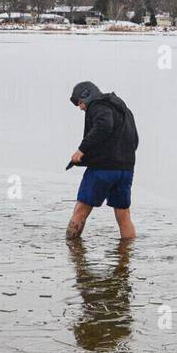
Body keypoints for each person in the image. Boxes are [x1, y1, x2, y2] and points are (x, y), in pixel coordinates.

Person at [67, 81, 138, 240]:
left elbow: (104, 125)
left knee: (80, 210)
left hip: (102, 169)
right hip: (126, 170)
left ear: (88, 95)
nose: (81, 107)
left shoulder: (98, 106)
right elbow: (135, 140)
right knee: (123, 215)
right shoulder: (125, 110)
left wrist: (82, 149)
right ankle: (126, 257)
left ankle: (70, 253)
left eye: (80, 102)